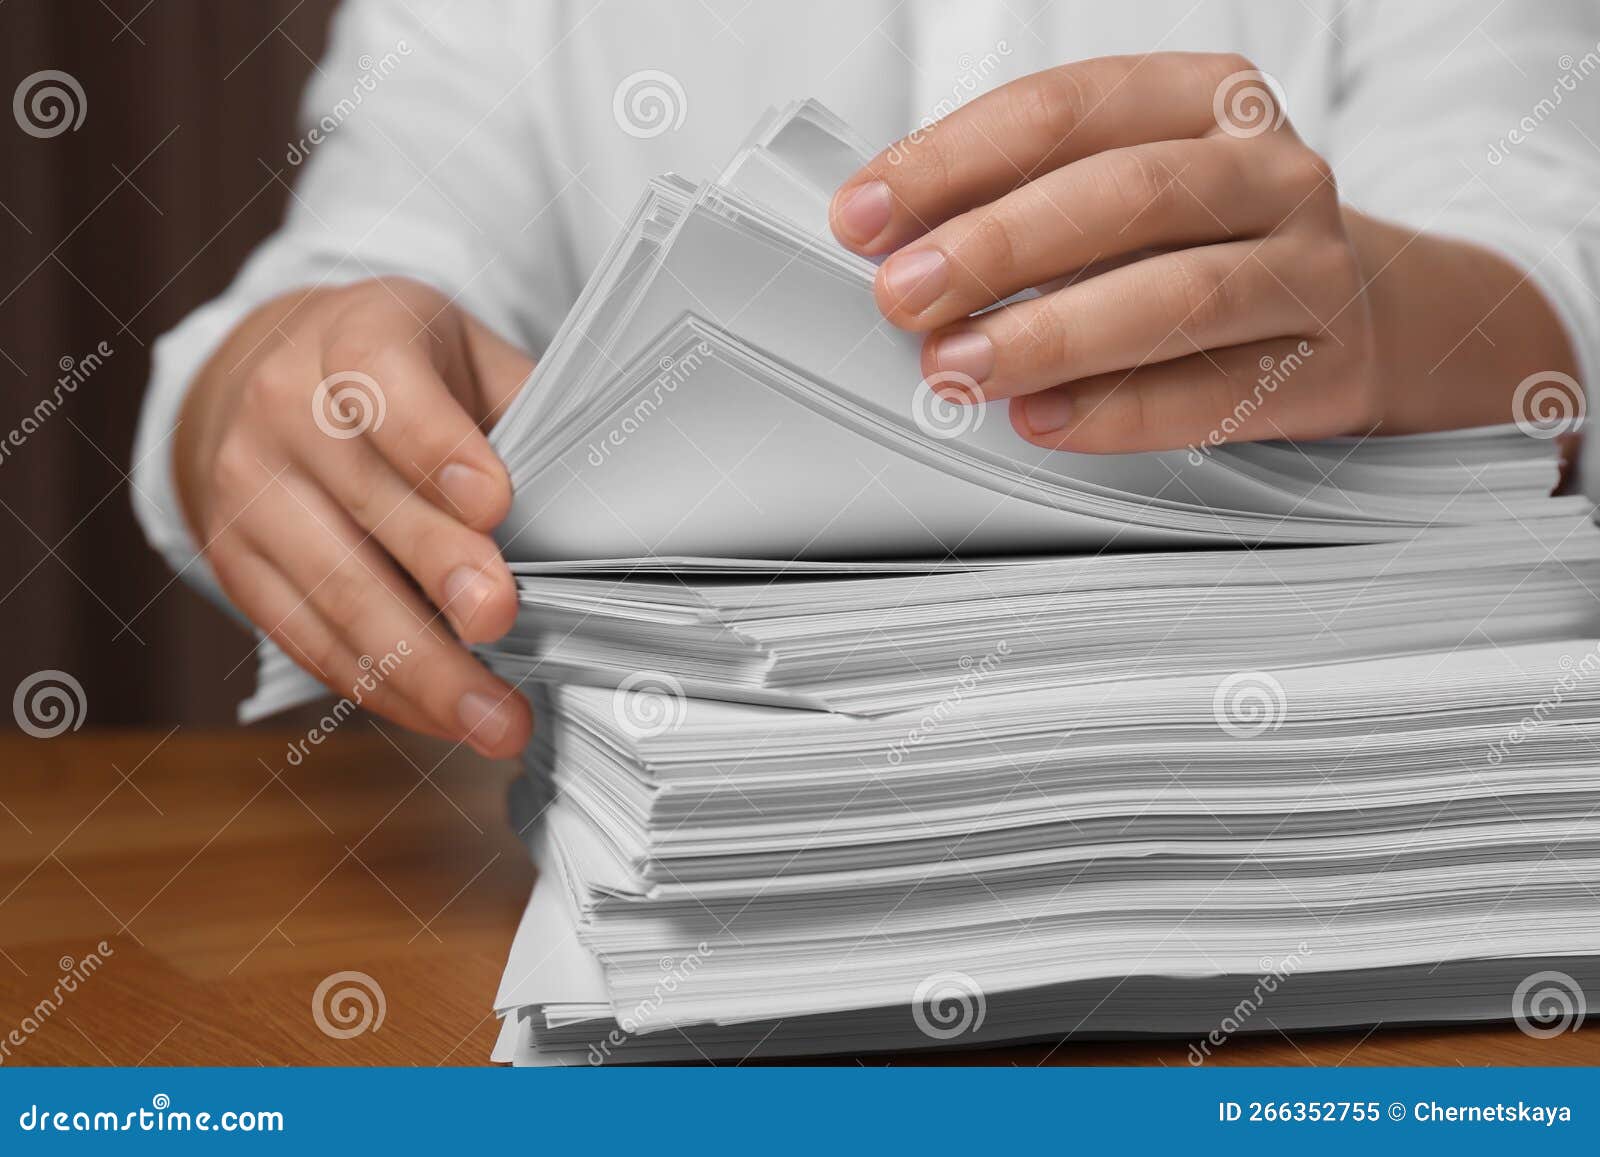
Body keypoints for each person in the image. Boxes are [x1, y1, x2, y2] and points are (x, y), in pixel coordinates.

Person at [133, 0, 1600, 757]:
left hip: (1325, 836)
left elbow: (1548, 243)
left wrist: (1382, 309)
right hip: (663, 878)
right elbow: (373, 255)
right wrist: (266, 391)